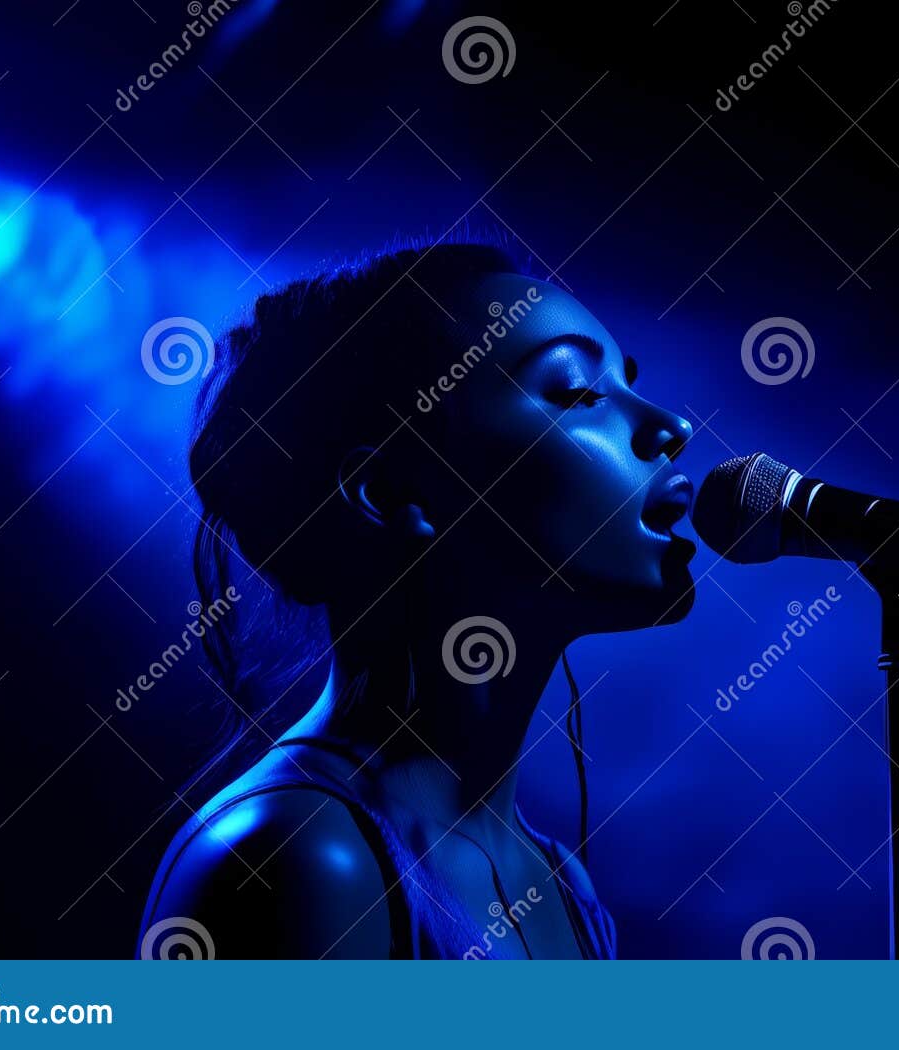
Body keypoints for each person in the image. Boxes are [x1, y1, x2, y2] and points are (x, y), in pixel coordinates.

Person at [137, 239, 697, 959]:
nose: (669, 428)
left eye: (627, 380)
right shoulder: (298, 861)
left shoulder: (565, 885)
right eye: (575, 390)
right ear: (392, 493)